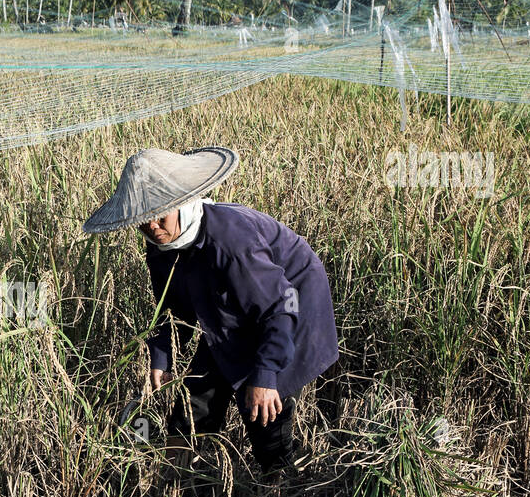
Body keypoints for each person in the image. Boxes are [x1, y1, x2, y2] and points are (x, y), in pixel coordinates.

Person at [82, 147, 338, 473]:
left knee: (260, 402)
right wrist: (162, 356)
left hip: (290, 298)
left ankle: (279, 479)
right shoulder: (163, 245)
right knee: (197, 390)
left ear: (181, 204)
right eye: (143, 221)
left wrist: (266, 374)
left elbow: (277, 307)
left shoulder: (231, 242)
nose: (153, 227)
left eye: (160, 215)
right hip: (228, 303)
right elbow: (171, 308)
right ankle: (174, 477)